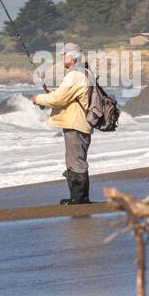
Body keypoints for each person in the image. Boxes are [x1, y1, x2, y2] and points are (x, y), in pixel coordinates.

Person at [31, 43, 93, 204]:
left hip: (76, 123)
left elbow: (59, 99)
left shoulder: (75, 75)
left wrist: (37, 99)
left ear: (71, 57)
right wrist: (51, 96)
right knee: (76, 159)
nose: (61, 58)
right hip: (80, 122)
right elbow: (64, 96)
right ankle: (79, 196)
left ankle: (79, 198)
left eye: (63, 54)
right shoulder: (84, 73)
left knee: (75, 160)